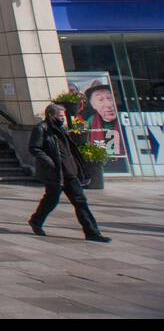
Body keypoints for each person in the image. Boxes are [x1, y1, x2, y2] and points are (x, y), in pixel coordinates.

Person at [28, 103, 110, 242]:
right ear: (51, 115)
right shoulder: (42, 128)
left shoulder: (62, 129)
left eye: (63, 116)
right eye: (60, 116)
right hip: (55, 173)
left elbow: (69, 150)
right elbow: (35, 148)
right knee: (51, 200)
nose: (62, 118)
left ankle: (92, 232)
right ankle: (36, 220)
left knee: (80, 202)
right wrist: (49, 162)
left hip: (70, 173)